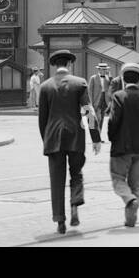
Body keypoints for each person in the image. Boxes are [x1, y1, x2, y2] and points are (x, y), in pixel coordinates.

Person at [38, 49, 101, 234]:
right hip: (75, 136)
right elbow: (89, 112)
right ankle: (75, 203)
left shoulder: (45, 86)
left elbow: (42, 120)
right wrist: (95, 137)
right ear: (69, 64)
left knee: (56, 180)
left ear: (55, 65)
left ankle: (59, 220)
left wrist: (47, 140)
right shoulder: (80, 83)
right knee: (76, 173)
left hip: (53, 138)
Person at [106, 62, 139, 227]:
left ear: (123, 78)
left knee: (118, 179)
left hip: (122, 147)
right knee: (136, 185)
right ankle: (131, 220)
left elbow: (113, 121)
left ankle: (129, 199)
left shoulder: (118, 96)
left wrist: (112, 138)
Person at [89, 63, 113, 135]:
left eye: (105, 69)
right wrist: (91, 103)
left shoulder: (107, 78)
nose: (104, 71)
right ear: (99, 69)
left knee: (102, 118)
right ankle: (95, 135)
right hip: (96, 100)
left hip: (105, 100)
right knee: (96, 118)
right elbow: (90, 91)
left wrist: (110, 77)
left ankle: (98, 135)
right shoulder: (93, 78)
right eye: (103, 69)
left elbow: (112, 86)